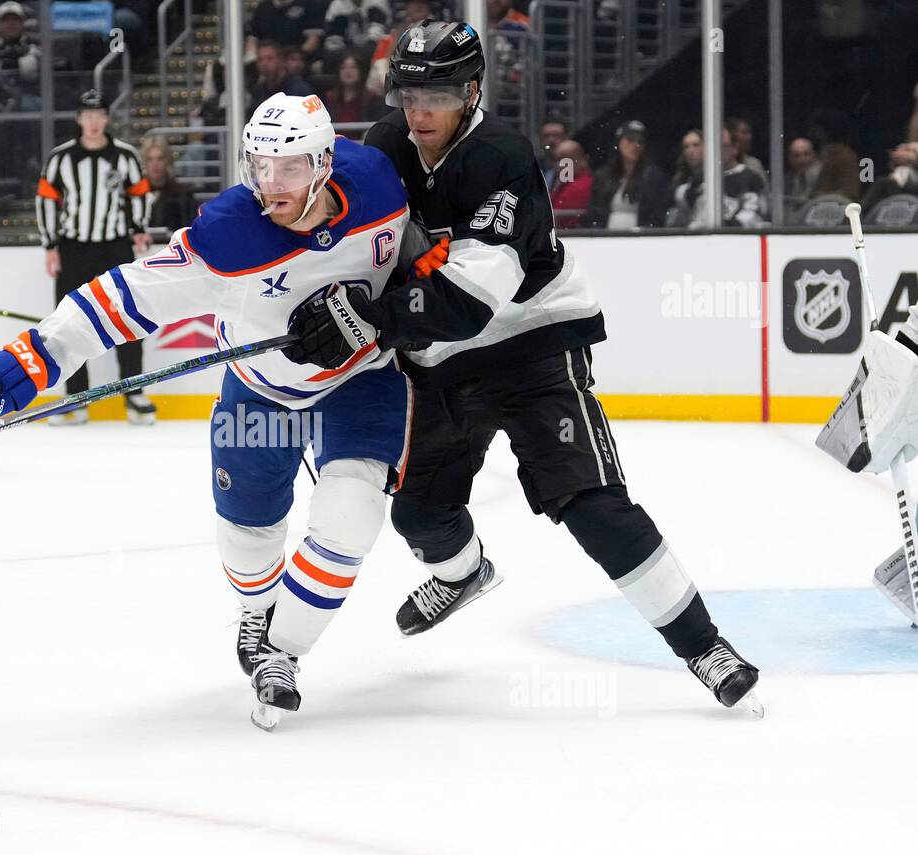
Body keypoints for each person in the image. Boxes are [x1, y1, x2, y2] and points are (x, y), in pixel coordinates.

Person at [285, 19, 762, 713]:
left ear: (472, 90)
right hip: (441, 358)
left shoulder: (502, 158)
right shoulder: (384, 146)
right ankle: (466, 572)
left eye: (438, 96)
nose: (418, 113)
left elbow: (471, 300)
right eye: (407, 95)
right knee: (419, 514)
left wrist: (367, 318)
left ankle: (705, 647)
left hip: (534, 341)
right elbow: (356, 247)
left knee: (593, 505)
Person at [0, 94, 411, 728]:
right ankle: (256, 611)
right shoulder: (228, 232)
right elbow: (128, 293)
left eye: (288, 168)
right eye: (260, 165)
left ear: (324, 161)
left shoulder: (376, 182)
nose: (270, 183)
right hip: (258, 390)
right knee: (248, 536)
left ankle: (280, 652)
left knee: (354, 515)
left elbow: (429, 249)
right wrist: (40, 352)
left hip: (360, 380)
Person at [35, 90, 154, 425]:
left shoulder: (126, 156)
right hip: (74, 248)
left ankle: (134, 391)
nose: (93, 121)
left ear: (105, 118)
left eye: (98, 114)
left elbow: (140, 192)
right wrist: (49, 245)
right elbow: (45, 200)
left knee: (128, 316)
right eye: (87, 115)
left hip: (114, 246)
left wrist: (139, 228)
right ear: (78, 120)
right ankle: (76, 396)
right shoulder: (61, 158)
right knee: (70, 320)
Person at [667, 127, 769, 228]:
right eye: (712, 146)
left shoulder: (751, 179)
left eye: (722, 146)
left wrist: (724, 229)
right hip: (700, 239)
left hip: (737, 239)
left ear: (734, 148)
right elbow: (684, 208)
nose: (716, 151)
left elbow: (752, 216)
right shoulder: (700, 177)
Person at [586, 120, 671, 229]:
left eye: (640, 142)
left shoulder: (653, 177)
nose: (636, 145)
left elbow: (657, 214)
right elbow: (594, 213)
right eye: (630, 140)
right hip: (606, 238)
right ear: (619, 143)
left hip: (642, 239)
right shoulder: (603, 176)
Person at [136, 136, 196, 237]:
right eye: (150, 159)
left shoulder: (183, 195)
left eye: (160, 159)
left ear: (167, 161)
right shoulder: (135, 194)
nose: (155, 164)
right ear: (144, 163)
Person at [248, 40, 316, 112]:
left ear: (281, 60)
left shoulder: (298, 89)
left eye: (270, 58)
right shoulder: (258, 90)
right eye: (260, 59)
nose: (264, 64)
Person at [324, 51, 382, 126]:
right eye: (343, 67)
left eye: (353, 67)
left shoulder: (371, 98)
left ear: (360, 71)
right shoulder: (329, 97)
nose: (348, 71)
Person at [546, 138, 593, 228]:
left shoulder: (582, 185)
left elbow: (558, 215)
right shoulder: (563, 182)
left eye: (565, 159)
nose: (560, 164)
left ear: (580, 160)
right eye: (556, 159)